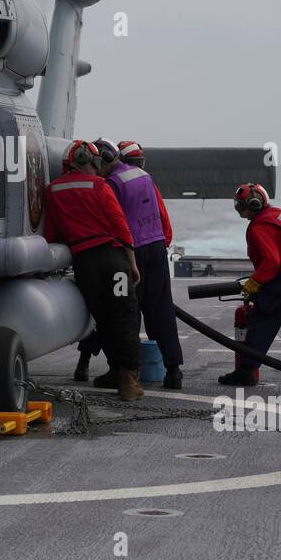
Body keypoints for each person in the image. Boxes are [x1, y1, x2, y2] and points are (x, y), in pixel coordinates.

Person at [44, 140, 145, 401]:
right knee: (126, 315)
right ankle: (129, 380)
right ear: (92, 161)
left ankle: (115, 371)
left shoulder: (52, 190)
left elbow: (52, 233)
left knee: (104, 318)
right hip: (114, 260)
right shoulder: (100, 185)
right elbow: (119, 224)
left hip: (84, 265)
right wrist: (132, 262)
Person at [83, 138, 185, 390]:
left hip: (132, 253)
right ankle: (173, 370)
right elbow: (160, 213)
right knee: (161, 309)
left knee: (122, 313)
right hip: (157, 248)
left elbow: (111, 221)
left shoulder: (112, 183)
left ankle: (122, 372)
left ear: (105, 160)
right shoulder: (143, 175)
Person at [219, 183, 281, 385]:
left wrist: (255, 283)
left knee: (263, 319)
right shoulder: (276, 214)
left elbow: (271, 262)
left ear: (253, 204)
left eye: (241, 205)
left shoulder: (259, 227)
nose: (239, 209)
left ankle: (247, 370)